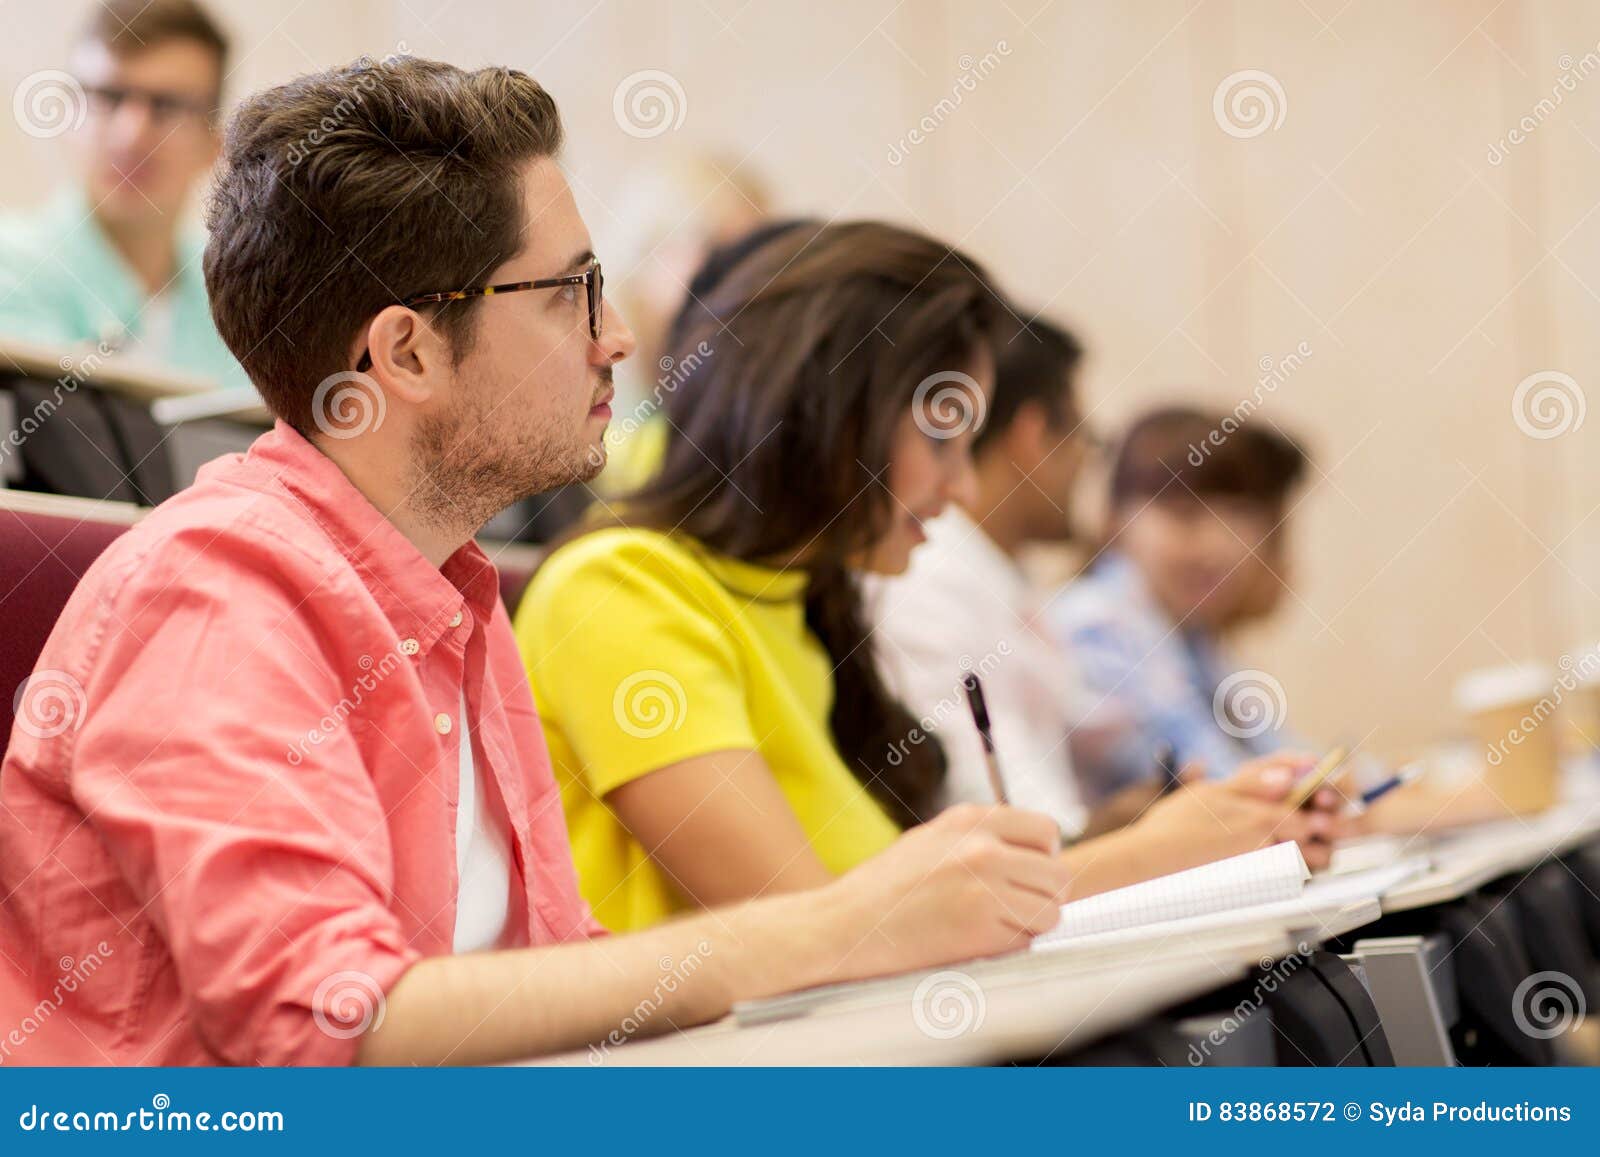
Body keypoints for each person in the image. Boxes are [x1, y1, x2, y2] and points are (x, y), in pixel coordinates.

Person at [0, 56, 1078, 1068]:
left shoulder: (454, 590)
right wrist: (837, 928)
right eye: (571, 291)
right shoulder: (214, 596)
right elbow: (327, 1018)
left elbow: (547, 975)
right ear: (406, 352)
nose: (614, 337)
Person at [515, 223, 1342, 935]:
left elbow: (896, 904)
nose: (963, 489)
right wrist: (1160, 854)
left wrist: (1127, 840)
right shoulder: (622, 589)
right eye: (943, 437)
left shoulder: (809, 602)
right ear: (836, 411)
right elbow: (815, 936)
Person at [865, 316, 1135, 835]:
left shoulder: (991, 576)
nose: (961, 489)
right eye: (1084, 437)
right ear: (1034, 436)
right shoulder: (922, 578)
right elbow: (999, 816)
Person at [1047, 405, 1309, 801]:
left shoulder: (1191, 633)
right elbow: (1227, 789)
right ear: (1115, 518)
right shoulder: (1095, 625)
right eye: (1184, 514)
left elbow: (1278, 756)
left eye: (1240, 514)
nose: (1217, 545)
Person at [0, 0, 248, 389]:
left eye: (165, 106)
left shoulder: (242, 301)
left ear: (215, 143)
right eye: (109, 97)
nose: (130, 135)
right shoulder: (10, 273)